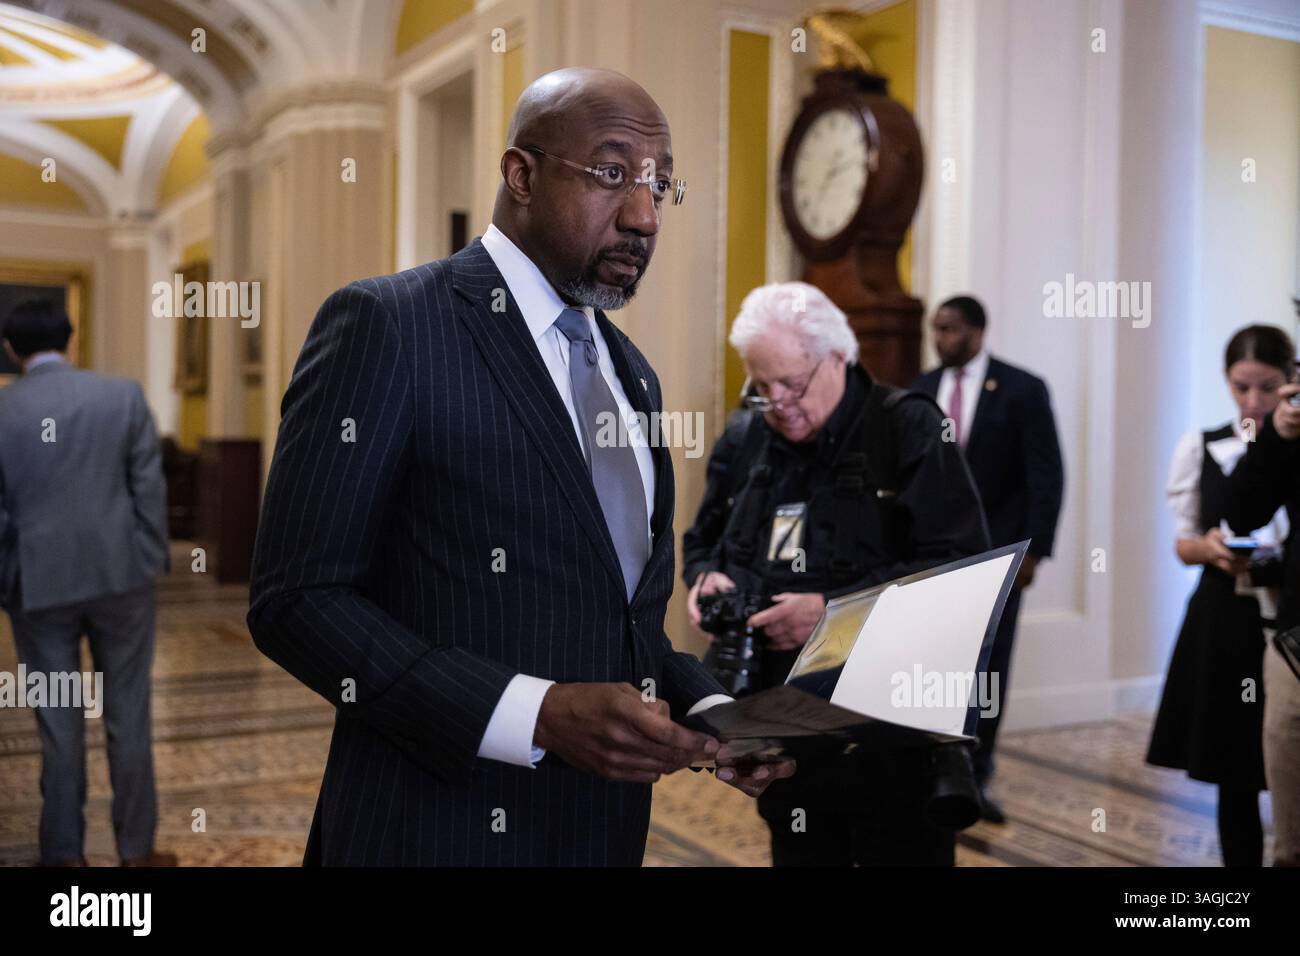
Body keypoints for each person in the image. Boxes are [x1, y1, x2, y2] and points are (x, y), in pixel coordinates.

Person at [247, 67, 791, 867]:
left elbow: (622, 618)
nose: (643, 215)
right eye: (612, 174)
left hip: (599, 833)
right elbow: (295, 599)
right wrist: (530, 714)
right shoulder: (389, 325)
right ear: (521, 174)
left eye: (659, 184)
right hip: (430, 828)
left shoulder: (630, 372)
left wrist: (712, 709)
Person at [683, 281, 990, 866]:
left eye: (792, 383)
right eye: (761, 386)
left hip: (896, 735)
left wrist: (832, 614)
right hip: (782, 731)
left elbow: (961, 577)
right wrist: (705, 580)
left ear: (839, 357)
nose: (778, 402)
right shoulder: (748, 435)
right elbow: (702, 541)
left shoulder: (909, 429)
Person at [0, 299, 172, 867]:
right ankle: (136, 851)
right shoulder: (120, 395)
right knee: (129, 712)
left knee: (58, 720)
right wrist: (146, 559)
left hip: (39, 585)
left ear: (10, 347)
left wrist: (10, 578)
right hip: (120, 576)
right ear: (71, 339)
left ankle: (64, 857)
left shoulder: (5, 410)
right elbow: (147, 486)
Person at [912, 295, 1064, 822]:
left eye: (949, 329)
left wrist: (1035, 552)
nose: (940, 338)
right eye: (936, 329)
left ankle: (978, 777)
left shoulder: (1022, 389)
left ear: (977, 331)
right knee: (935, 666)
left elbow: (1046, 476)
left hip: (1002, 556)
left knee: (988, 670)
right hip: (932, 560)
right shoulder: (921, 390)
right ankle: (935, 769)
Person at [1148, 325, 1293, 867]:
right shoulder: (1201, 445)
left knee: (1285, 753)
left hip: (1285, 613)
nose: (1254, 401)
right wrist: (1210, 548)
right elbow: (1182, 542)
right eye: (1241, 387)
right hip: (1225, 618)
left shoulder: (1289, 445)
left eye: (1268, 386)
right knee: (1236, 763)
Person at [1222, 324, 1300, 868]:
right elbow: (1242, 513)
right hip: (1294, 634)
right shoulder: (1288, 424)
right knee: (1284, 750)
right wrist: (1278, 435)